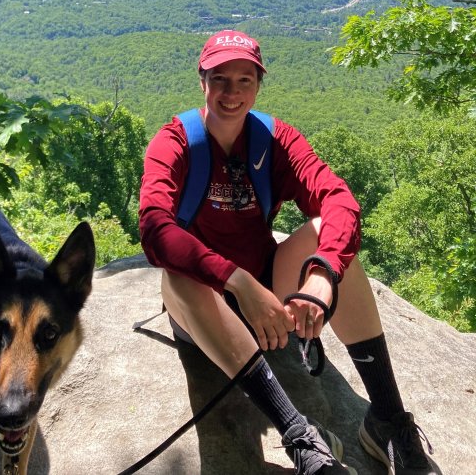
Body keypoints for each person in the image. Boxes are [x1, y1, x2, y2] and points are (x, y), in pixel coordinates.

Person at [139, 29, 438, 475]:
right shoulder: (176, 142)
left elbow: (338, 198)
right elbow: (154, 226)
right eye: (220, 78)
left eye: (245, 80)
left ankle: (387, 421)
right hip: (205, 306)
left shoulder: (274, 140)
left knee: (329, 238)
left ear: (259, 85)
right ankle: (299, 437)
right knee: (178, 275)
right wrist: (237, 281)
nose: (232, 92)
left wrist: (323, 274)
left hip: (268, 295)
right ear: (202, 81)